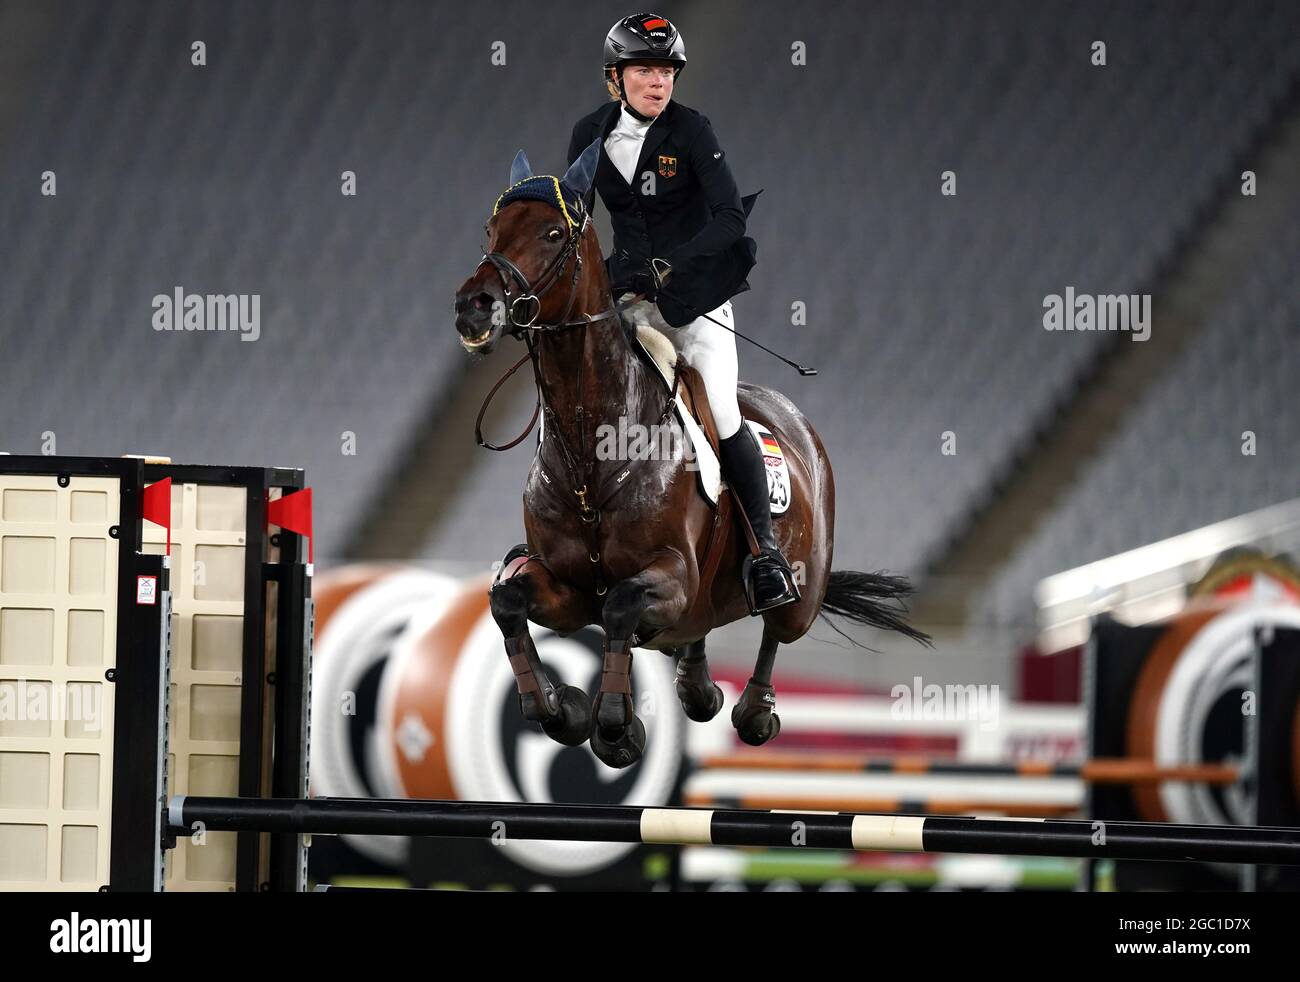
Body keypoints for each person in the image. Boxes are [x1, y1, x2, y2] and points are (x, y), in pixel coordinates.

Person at [565, 12, 797, 613]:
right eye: (644, 69)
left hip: (694, 306)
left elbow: (729, 219)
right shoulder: (589, 133)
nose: (658, 81)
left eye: (666, 70)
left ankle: (767, 555)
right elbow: (576, 223)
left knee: (721, 413)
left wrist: (669, 267)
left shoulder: (693, 132)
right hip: (630, 306)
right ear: (615, 78)